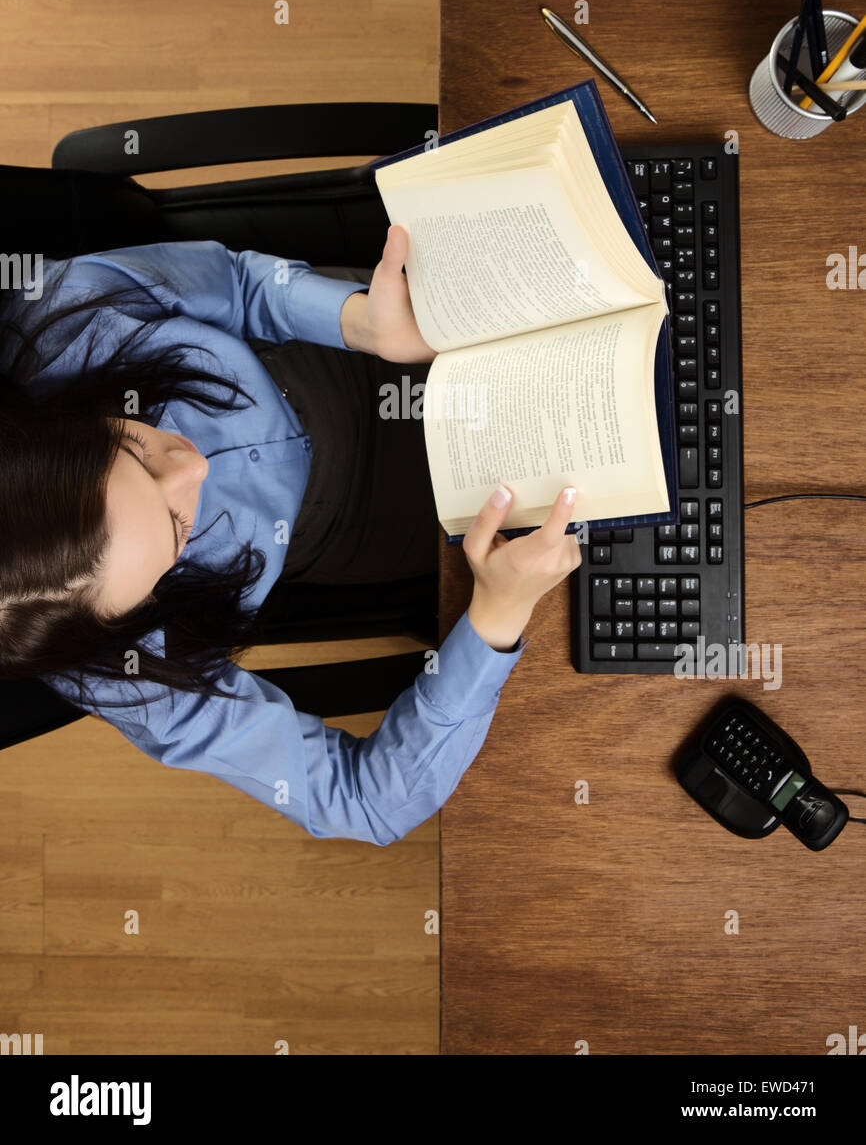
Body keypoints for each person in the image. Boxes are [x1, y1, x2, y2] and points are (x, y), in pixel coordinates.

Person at [0, 227, 580, 845]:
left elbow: (236, 284)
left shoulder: (61, 316)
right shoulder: (126, 671)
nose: (193, 468)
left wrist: (360, 323)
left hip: (364, 345)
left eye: (134, 449)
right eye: (177, 531)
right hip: (405, 513)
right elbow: (365, 802)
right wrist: (496, 616)